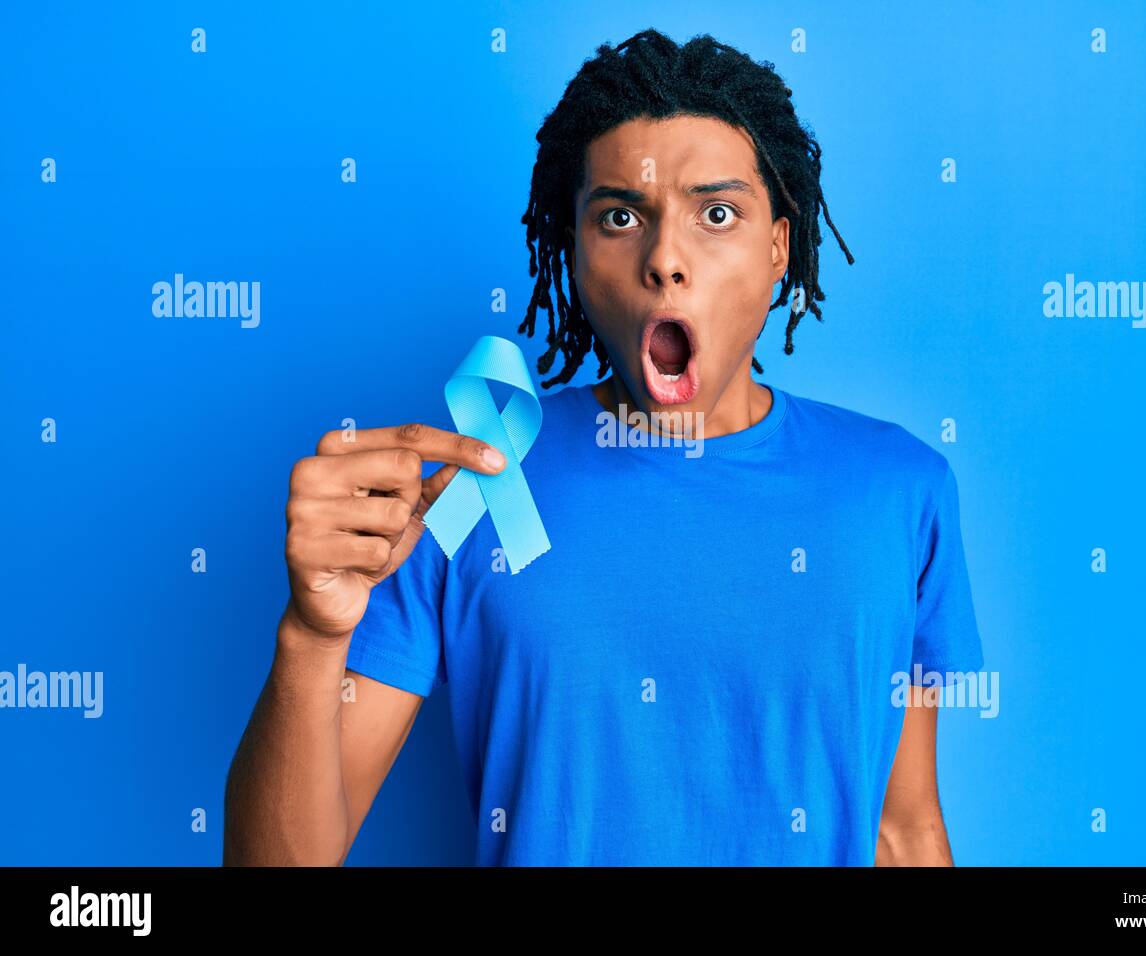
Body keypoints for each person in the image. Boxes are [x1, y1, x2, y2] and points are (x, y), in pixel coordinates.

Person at [224, 28, 983, 866]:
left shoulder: (899, 491)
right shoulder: (477, 484)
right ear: (575, 252)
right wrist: (310, 632)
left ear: (778, 248)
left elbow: (902, 830)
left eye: (717, 214)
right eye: (620, 216)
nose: (665, 259)